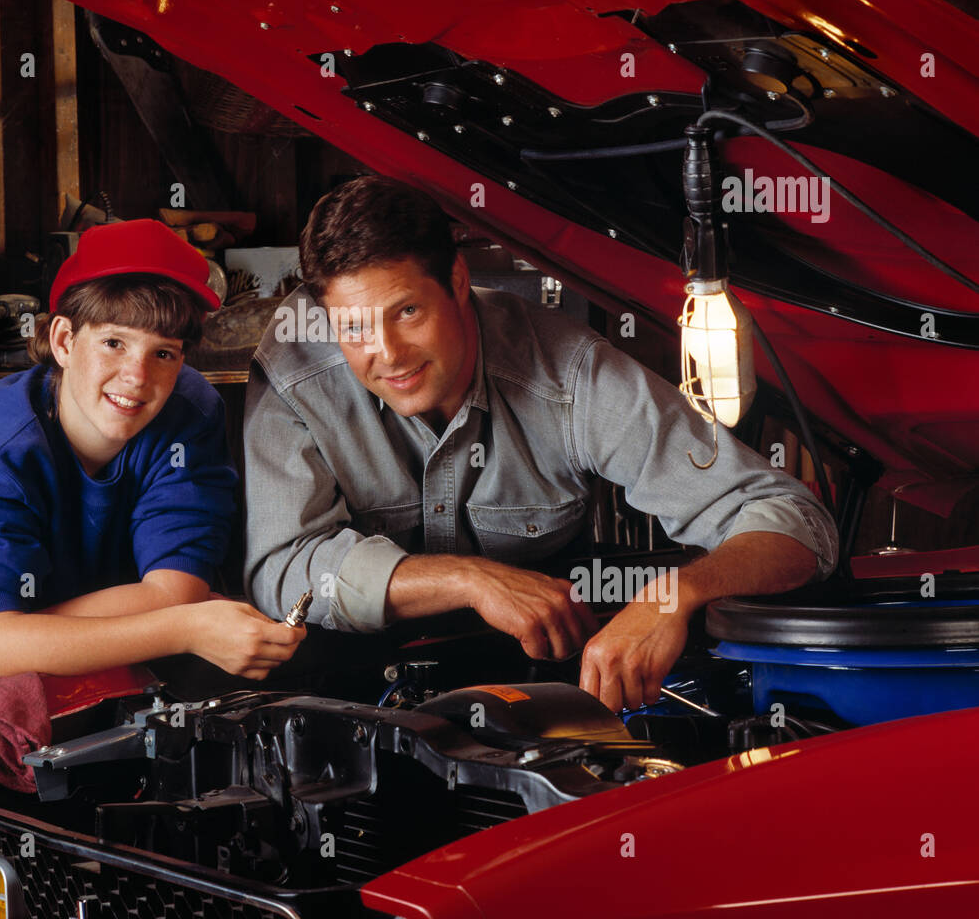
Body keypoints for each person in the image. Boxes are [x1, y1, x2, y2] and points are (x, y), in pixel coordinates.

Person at [243, 176, 837, 714]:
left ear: (457, 281)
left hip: (538, 690)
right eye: (355, 329)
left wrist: (671, 598)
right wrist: (473, 580)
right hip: (347, 699)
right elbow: (282, 567)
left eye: (407, 312)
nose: (388, 353)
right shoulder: (296, 375)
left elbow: (796, 522)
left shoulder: (569, 376)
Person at [0, 218, 304, 692]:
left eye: (164, 353)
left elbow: (178, 590)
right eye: (114, 343)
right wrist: (188, 627)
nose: (137, 376)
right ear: (64, 341)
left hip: (36, 643)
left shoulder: (188, 410)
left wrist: (2, 639)